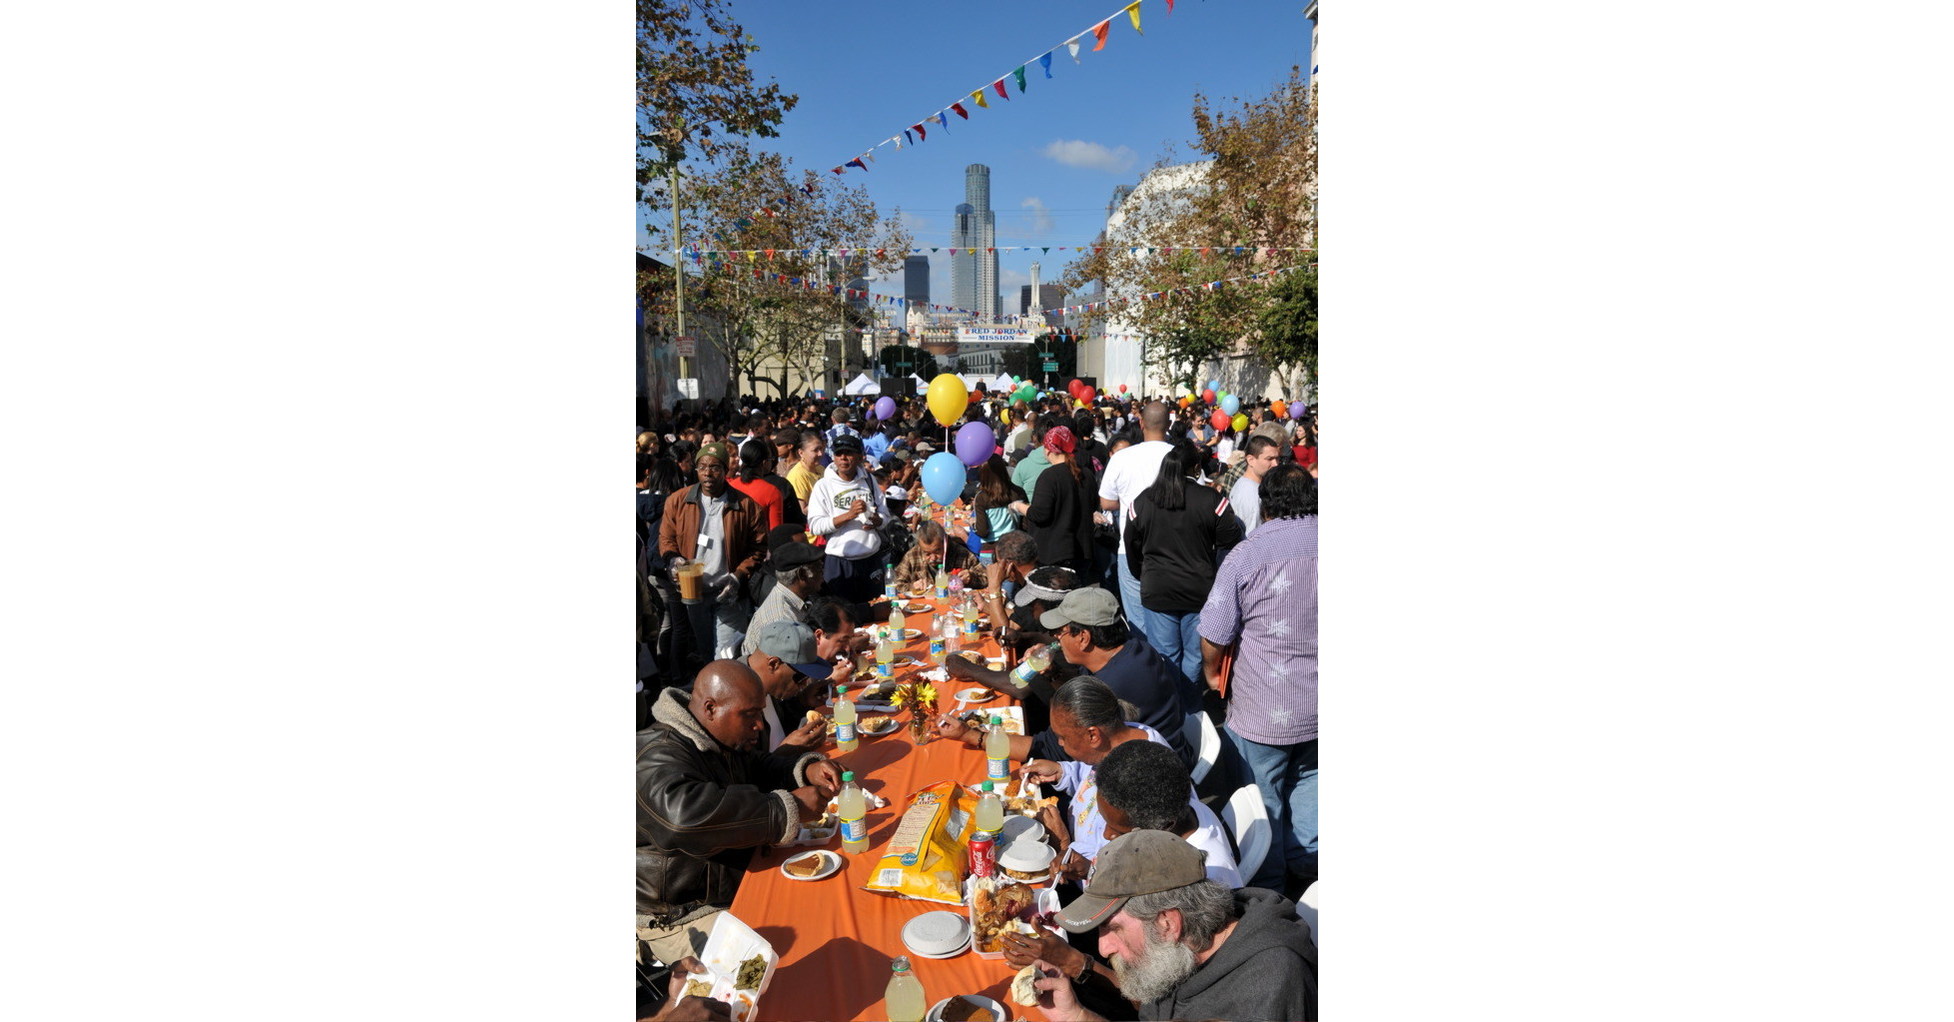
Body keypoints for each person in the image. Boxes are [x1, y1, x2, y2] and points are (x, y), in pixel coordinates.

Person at [636, 661, 844, 967]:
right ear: (710, 708)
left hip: (732, 881)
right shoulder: (657, 754)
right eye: (750, 714)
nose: (759, 724)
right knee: (782, 960)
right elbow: (683, 820)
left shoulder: (714, 735)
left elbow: (757, 767)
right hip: (682, 915)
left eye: (760, 712)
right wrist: (785, 810)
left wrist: (804, 768)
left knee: (826, 908)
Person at [1024, 831, 1317, 1022]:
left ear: (1167, 923)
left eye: (1112, 929)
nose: (1103, 947)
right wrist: (1074, 1016)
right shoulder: (1176, 953)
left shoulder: (1266, 990)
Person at [1197, 462, 1317, 893]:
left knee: (1261, 798)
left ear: (1265, 506)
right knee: (1310, 786)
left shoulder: (1248, 555)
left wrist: (1212, 675)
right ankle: (1308, 875)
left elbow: (1213, 633)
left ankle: (1271, 888)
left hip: (1266, 708)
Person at [1124, 440, 1245, 686]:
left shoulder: (1141, 501)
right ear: (1197, 469)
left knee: (1165, 657)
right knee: (1193, 657)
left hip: (1157, 590)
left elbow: (1131, 545)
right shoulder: (1212, 499)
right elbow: (1230, 538)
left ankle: (1173, 713)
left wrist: (1144, 575)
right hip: (1199, 590)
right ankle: (1191, 712)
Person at [657, 443, 769, 661]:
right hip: (694, 594)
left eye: (715, 467)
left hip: (729, 594)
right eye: (702, 467)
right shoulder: (678, 501)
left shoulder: (747, 506)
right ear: (695, 470)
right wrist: (672, 560)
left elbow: (758, 548)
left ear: (726, 470)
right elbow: (666, 538)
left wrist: (738, 576)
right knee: (706, 653)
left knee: (725, 658)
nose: (707, 472)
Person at [1094, 739, 1241, 887]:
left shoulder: (1204, 876)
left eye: (1120, 831)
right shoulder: (1178, 805)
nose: (1106, 834)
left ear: (1166, 825)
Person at [1098, 402, 1174, 640]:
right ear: (1169, 424)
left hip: (1130, 548)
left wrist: (1133, 504)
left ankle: (1148, 667)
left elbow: (1106, 502)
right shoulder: (1178, 457)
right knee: (1167, 621)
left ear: (1141, 424)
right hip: (1172, 548)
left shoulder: (1122, 458)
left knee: (1138, 621)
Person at [806, 433, 890, 604]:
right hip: (839, 563)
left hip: (871, 560)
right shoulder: (823, 485)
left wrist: (877, 521)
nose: (843, 458)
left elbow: (886, 516)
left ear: (859, 456)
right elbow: (815, 526)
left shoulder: (868, 480)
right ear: (833, 457)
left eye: (848, 453)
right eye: (838, 453)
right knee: (845, 617)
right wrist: (848, 515)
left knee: (877, 612)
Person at [741, 620, 836, 752]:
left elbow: (777, 728)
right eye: (800, 677)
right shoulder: (737, 701)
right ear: (773, 664)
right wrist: (785, 751)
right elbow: (745, 769)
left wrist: (802, 702)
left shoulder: (766, 684)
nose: (804, 684)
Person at [1023, 425, 1093, 573]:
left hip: (1054, 553)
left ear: (1048, 450)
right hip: (1083, 551)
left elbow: (1040, 514)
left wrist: (1019, 507)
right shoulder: (1086, 474)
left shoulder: (1049, 476)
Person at [740, 540, 825, 656]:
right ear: (802, 574)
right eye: (819, 568)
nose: (822, 572)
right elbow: (782, 669)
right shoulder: (782, 620)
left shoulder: (792, 599)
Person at [890, 519, 981, 592]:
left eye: (937, 551)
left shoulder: (961, 553)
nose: (933, 558)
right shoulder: (912, 556)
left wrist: (971, 577)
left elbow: (985, 577)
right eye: (927, 554)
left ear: (945, 544)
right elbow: (895, 585)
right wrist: (912, 586)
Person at [1226, 434, 1283, 535]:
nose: (1276, 464)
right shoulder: (1252, 494)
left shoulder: (1249, 485)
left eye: (1277, 458)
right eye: (1269, 459)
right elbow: (1251, 537)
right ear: (1251, 460)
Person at [727, 438, 786, 530]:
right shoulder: (772, 492)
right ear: (764, 462)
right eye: (770, 459)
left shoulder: (731, 485)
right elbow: (776, 531)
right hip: (759, 542)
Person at [970, 454, 1026, 547]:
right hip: (1014, 546)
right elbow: (1025, 525)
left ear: (983, 474)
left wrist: (973, 524)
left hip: (991, 548)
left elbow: (982, 532)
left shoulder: (981, 498)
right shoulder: (1018, 492)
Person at [785, 432, 824, 516]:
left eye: (821, 449)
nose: (820, 453)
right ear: (801, 453)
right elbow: (802, 510)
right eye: (815, 450)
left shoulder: (821, 469)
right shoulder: (798, 475)